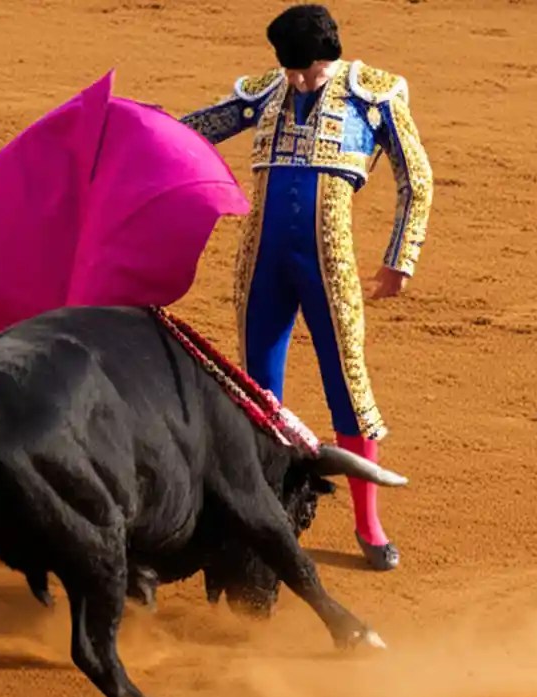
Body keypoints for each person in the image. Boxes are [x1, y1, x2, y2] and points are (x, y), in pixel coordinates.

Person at [180, 4, 433, 571]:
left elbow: (416, 178)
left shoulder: (375, 93)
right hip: (261, 262)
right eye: (289, 71)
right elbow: (200, 128)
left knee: (347, 381)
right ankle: (262, 513)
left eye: (305, 72)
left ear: (328, 58)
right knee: (258, 393)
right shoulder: (268, 88)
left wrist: (401, 258)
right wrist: (137, 128)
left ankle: (368, 523)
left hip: (331, 263)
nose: (295, 81)